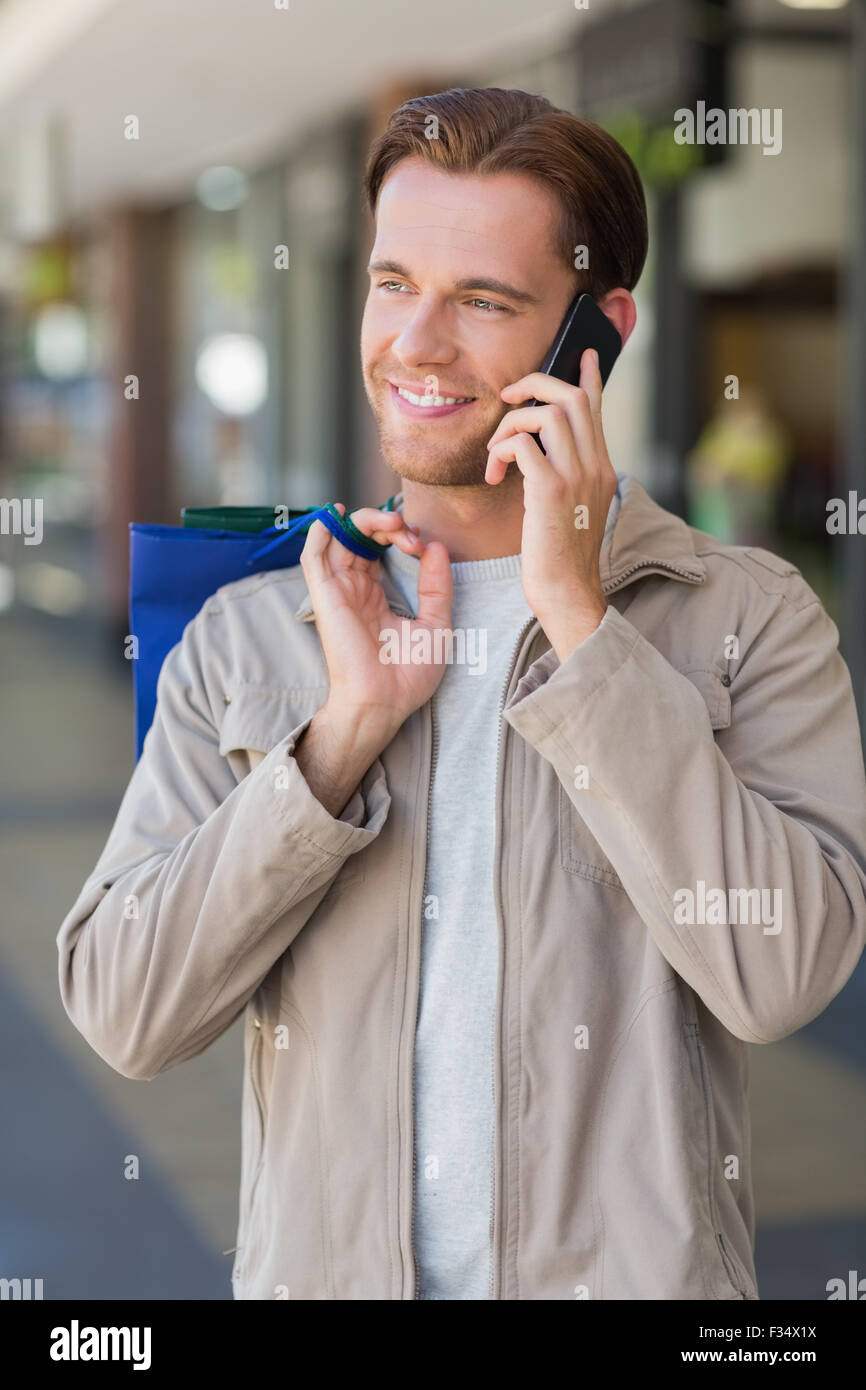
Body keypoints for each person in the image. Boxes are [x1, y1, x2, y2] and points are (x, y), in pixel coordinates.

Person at [57, 86, 866, 1301]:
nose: (416, 345)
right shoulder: (254, 627)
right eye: (393, 283)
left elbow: (779, 973)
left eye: (482, 301)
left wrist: (582, 625)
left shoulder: (746, 617)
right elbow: (126, 1009)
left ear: (593, 338)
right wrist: (336, 743)